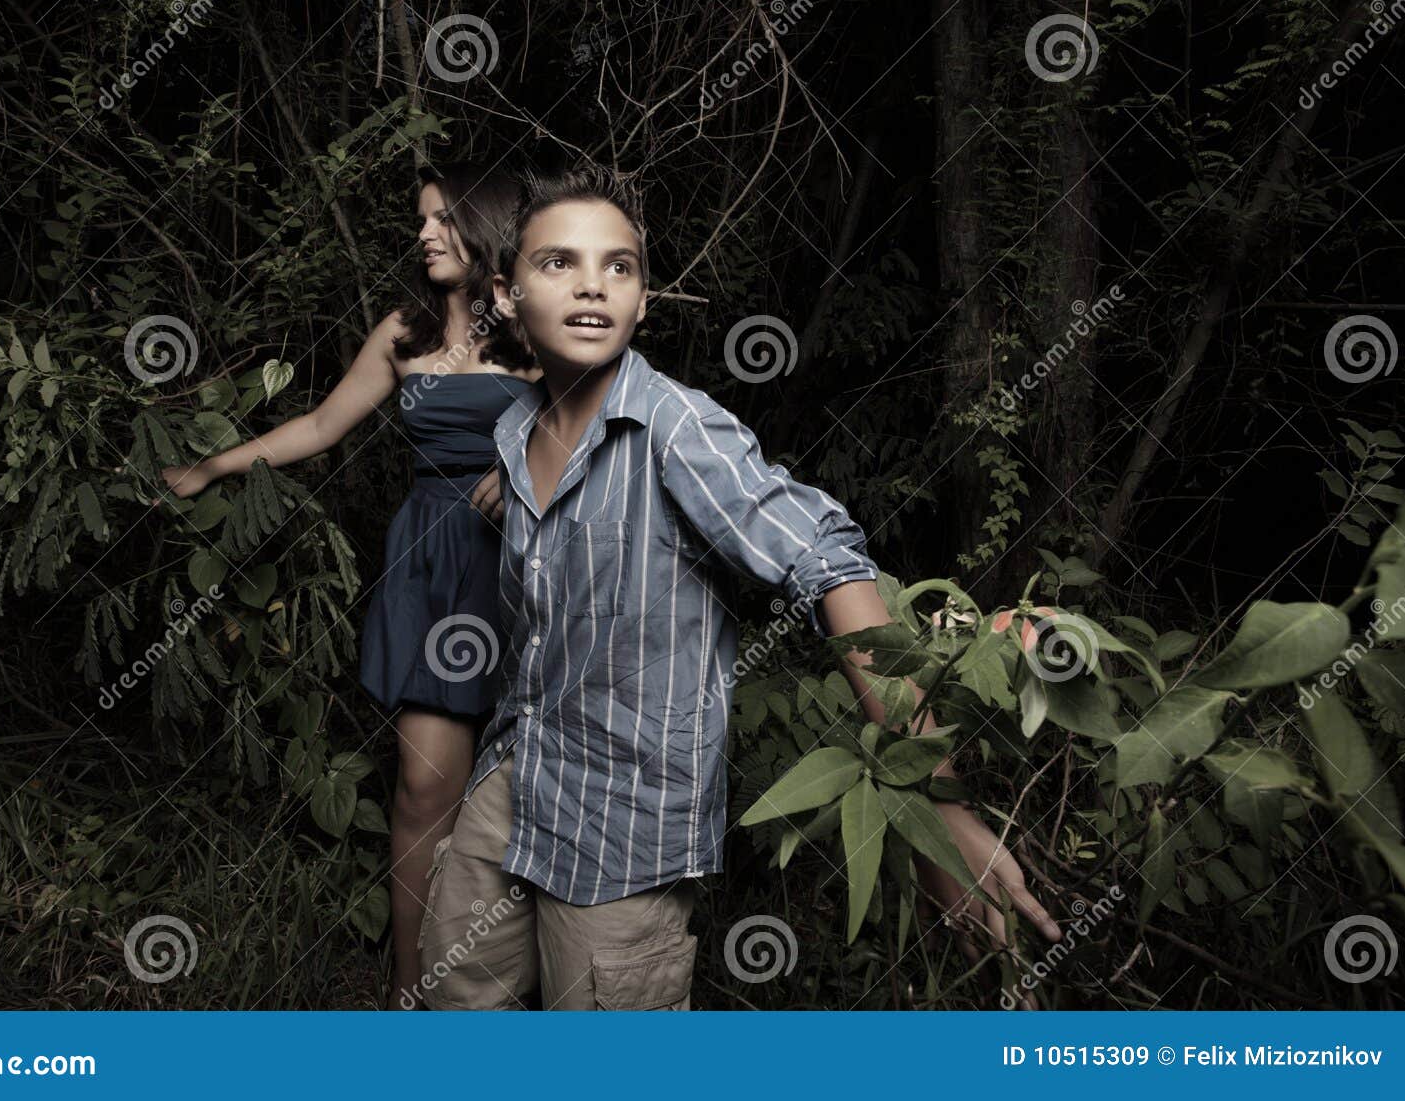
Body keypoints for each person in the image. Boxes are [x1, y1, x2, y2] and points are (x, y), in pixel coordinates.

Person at [414, 166, 1062, 1009]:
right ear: (505, 293)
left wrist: (938, 809)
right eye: (558, 263)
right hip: (515, 775)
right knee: (454, 998)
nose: (591, 286)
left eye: (620, 267)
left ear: (644, 300)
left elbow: (830, 560)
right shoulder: (513, 429)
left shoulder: (675, 428)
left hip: (623, 822)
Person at [158, 162, 542, 1009]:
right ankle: (409, 991)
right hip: (432, 567)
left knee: (527, 796)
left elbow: (602, 428)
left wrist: (523, 470)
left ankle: (516, 996)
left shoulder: (538, 331)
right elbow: (324, 424)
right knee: (421, 787)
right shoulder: (403, 332)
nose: (425, 233)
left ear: (488, 229)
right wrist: (216, 464)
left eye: (442, 218)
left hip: (525, 567)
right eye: (422, 220)